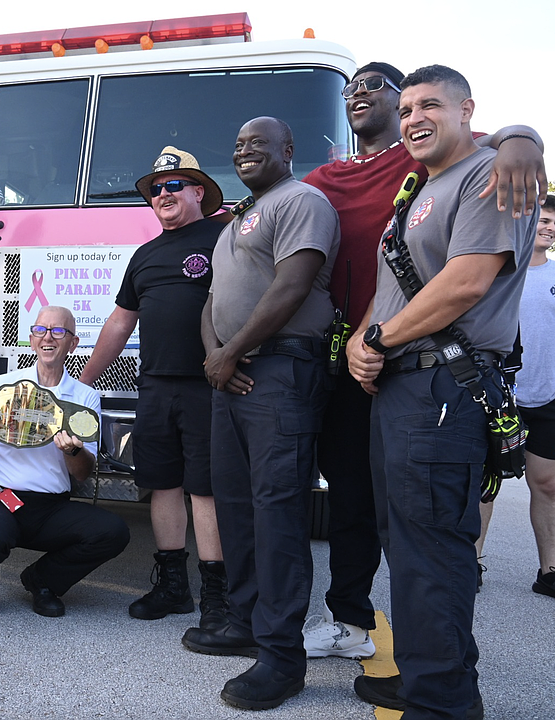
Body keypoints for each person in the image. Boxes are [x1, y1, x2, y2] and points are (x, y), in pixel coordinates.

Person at [302, 61, 548, 657]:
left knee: (431, 545)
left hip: (441, 381)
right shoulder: (400, 185)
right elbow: (390, 280)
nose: (415, 118)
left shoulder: (472, 169)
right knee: (399, 535)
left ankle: (441, 694)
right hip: (391, 381)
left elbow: (466, 280)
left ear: (465, 111)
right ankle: (422, 671)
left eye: (424, 106)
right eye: (409, 109)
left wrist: (525, 136)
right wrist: (363, 342)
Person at [183, 117, 339, 711]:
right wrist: (215, 356)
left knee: (278, 515)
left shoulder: (302, 201)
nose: (245, 151)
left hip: (280, 373)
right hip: (232, 375)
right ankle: (245, 622)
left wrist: (231, 351)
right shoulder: (237, 220)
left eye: (259, 144)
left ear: (288, 151)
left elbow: (293, 286)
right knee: (238, 508)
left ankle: (281, 658)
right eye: (239, 143)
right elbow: (213, 300)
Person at [80, 146, 227, 628]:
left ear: (198, 192)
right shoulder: (144, 255)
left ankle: (217, 598)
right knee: (162, 484)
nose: (162, 194)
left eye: (174, 185)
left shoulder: (225, 237)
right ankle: (172, 587)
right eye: (156, 189)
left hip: (209, 385)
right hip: (156, 388)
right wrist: (81, 385)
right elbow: (120, 324)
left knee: (205, 491)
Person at [0, 306, 129, 617]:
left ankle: (43, 580)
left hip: (50, 506)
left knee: (113, 532)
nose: (47, 337)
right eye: (40, 330)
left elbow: (82, 474)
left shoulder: (83, 397)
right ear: (31, 338)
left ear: (73, 343)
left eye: (58, 331)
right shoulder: (2, 385)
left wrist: (73, 451)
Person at [516, 196, 555, 599]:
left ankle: (550, 571)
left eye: (554, 223)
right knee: (484, 483)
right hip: (498, 395)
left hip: (547, 395)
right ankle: (471, 563)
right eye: (544, 219)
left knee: (547, 483)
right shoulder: (501, 269)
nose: (549, 227)